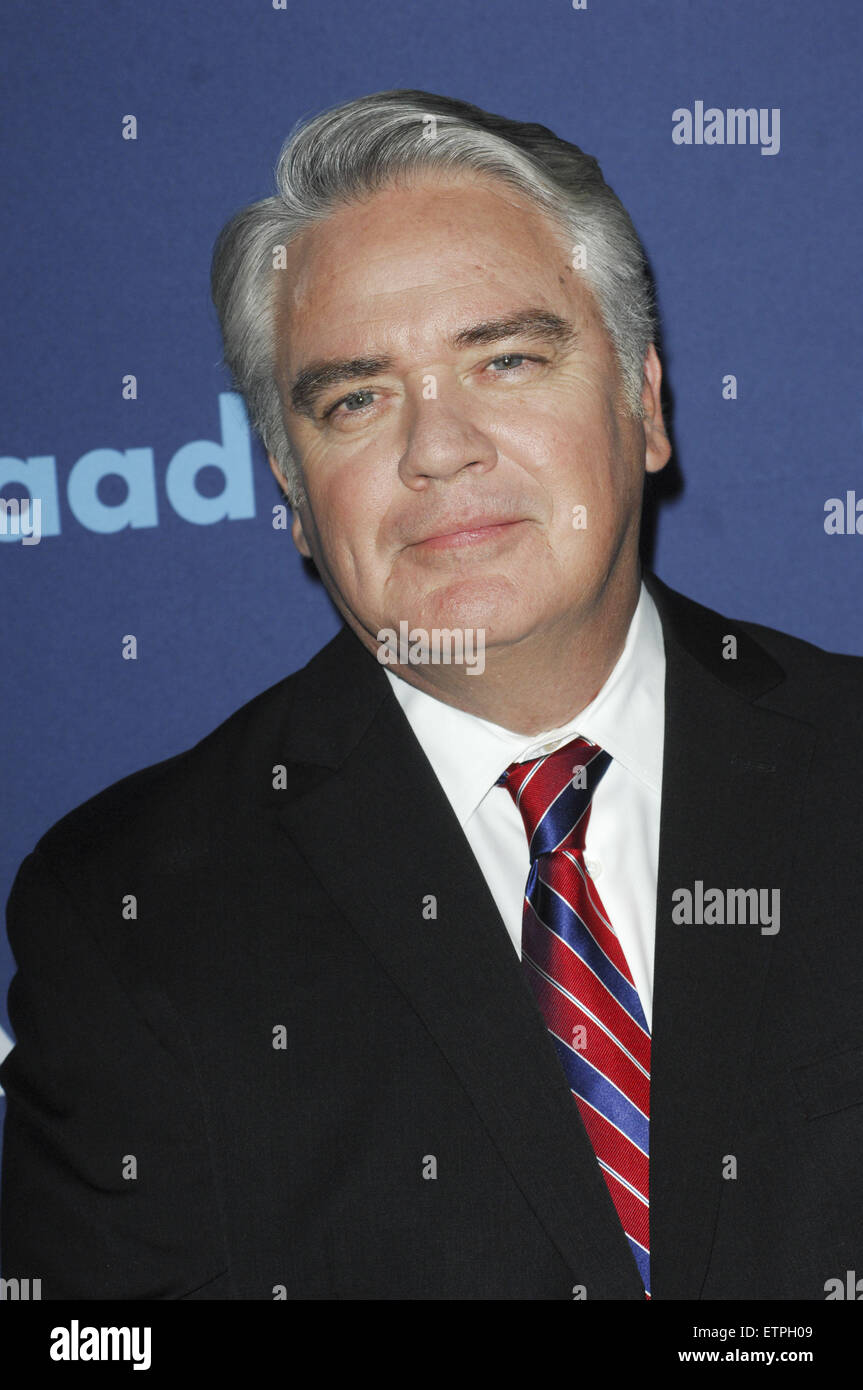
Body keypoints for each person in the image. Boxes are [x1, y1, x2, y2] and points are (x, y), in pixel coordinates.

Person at [2, 89, 862, 1301]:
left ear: (646, 406)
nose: (436, 446)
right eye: (354, 398)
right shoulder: (130, 912)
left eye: (505, 359)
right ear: (295, 497)